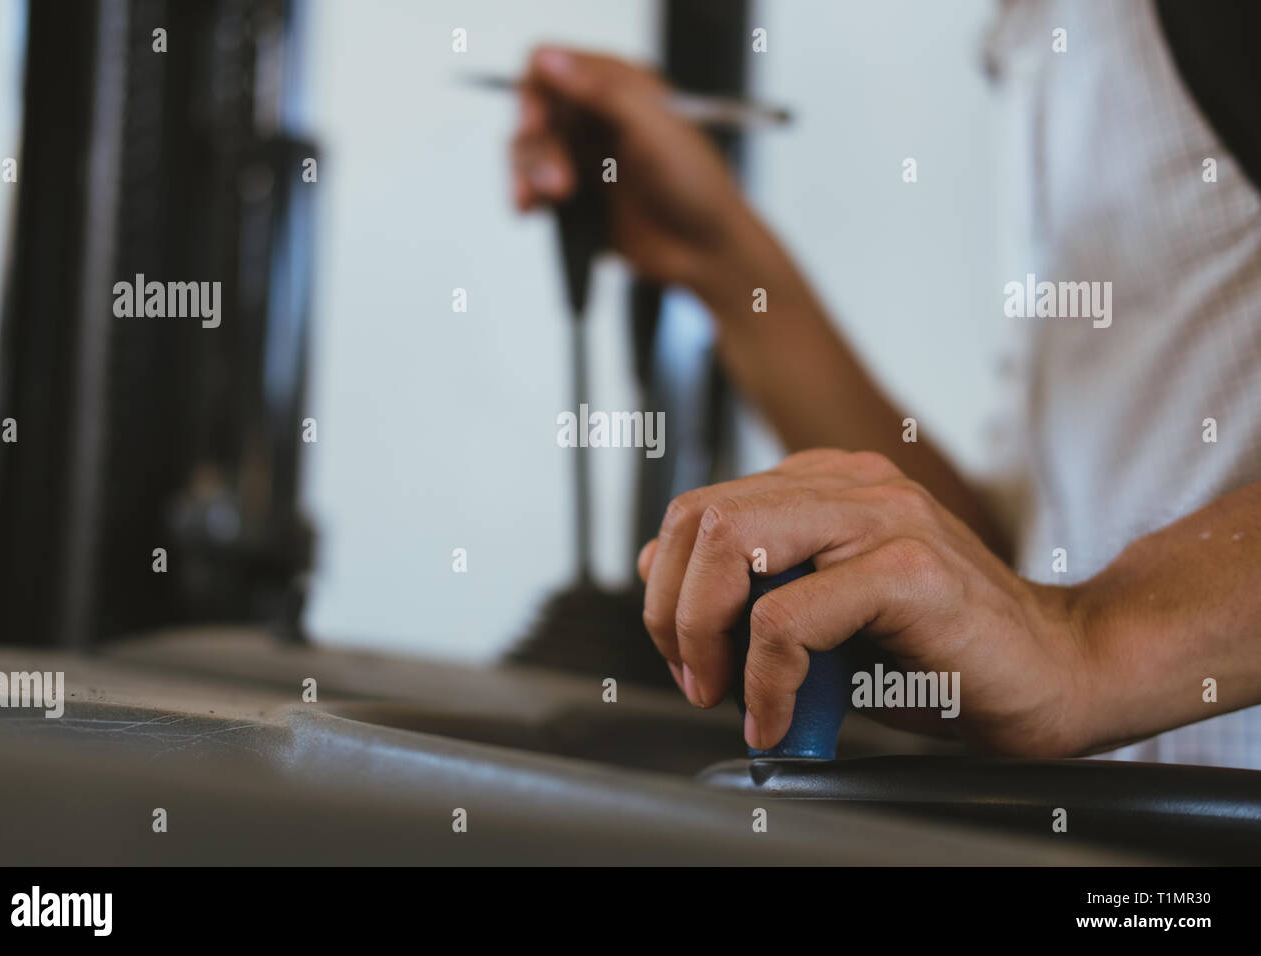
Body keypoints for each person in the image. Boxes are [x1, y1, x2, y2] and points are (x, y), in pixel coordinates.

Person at [507, 1, 1261, 769]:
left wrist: (1090, 640)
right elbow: (1018, 585)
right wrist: (716, 259)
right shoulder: (1047, 32)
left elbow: (1060, 638)